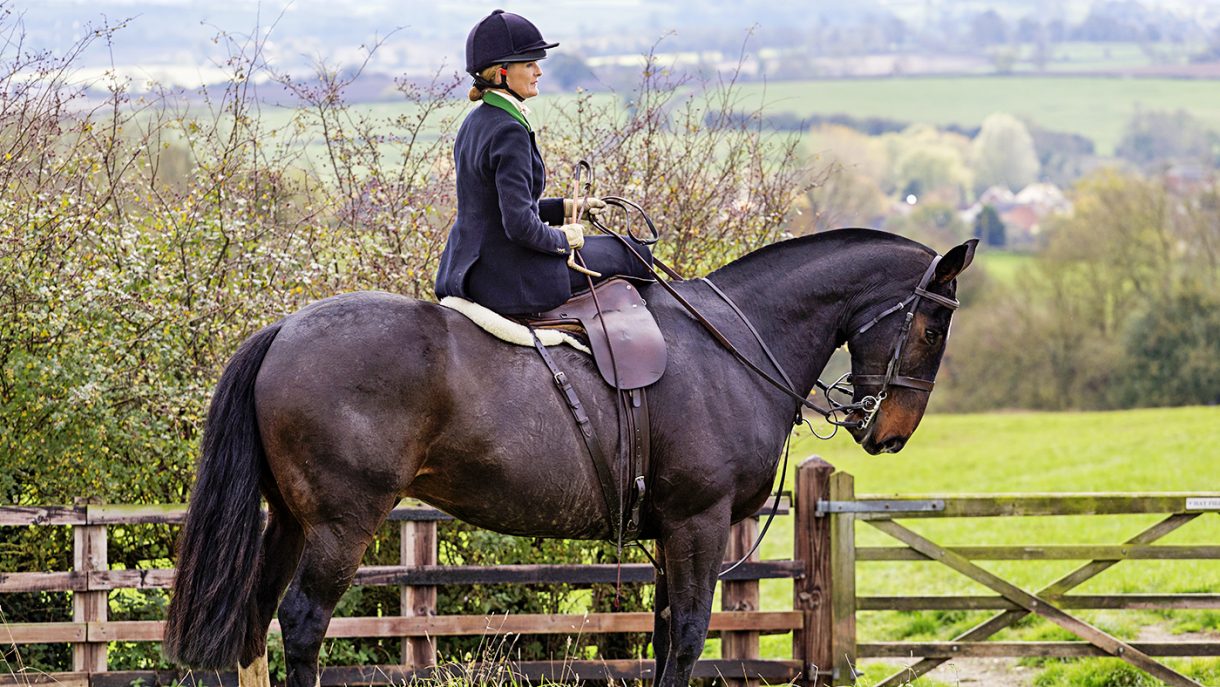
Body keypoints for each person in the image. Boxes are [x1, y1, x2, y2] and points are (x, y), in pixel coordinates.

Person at [434, 9, 653, 316]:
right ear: (502, 73)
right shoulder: (509, 131)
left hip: (466, 269)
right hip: (509, 277)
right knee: (635, 253)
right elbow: (520, 226)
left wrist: (566, 208)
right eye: (530, 63)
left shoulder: (475, 121)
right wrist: (564, 239)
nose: (539, 71)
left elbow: (494, 208)